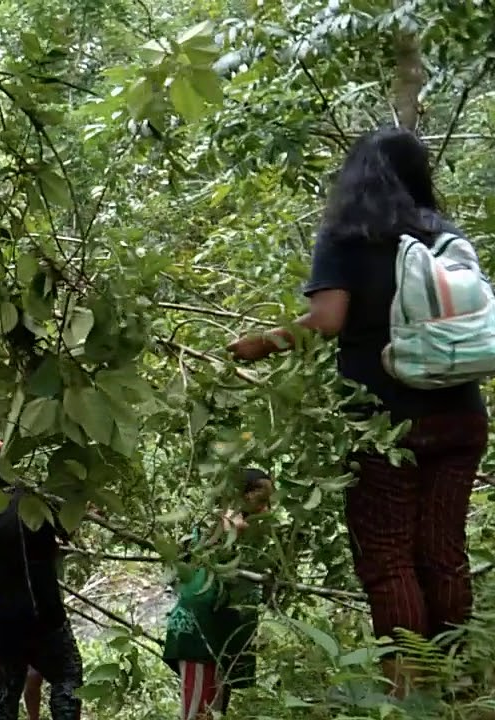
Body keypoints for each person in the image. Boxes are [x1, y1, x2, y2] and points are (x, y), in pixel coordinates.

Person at [227, 127, 488, 696]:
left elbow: (326, 321)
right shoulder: (444, 236)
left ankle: (409, 694)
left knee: (389, 556)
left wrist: (260, 344)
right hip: (461, 416)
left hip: (384, 420)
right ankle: (460, 685)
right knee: (444, 551)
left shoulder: (346, 237)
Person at [0, 439, 83, 720]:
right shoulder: (35, 506)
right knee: (67, 675)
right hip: (39, 616)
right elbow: (69, 529)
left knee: (2, 697)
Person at [162, 469, 275, 720]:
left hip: (217, 643)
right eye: (261, 502)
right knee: (198, 714)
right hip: (201, 641)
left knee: (214, 712)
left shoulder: (245, 545)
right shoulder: (213, 533)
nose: (266, 510)